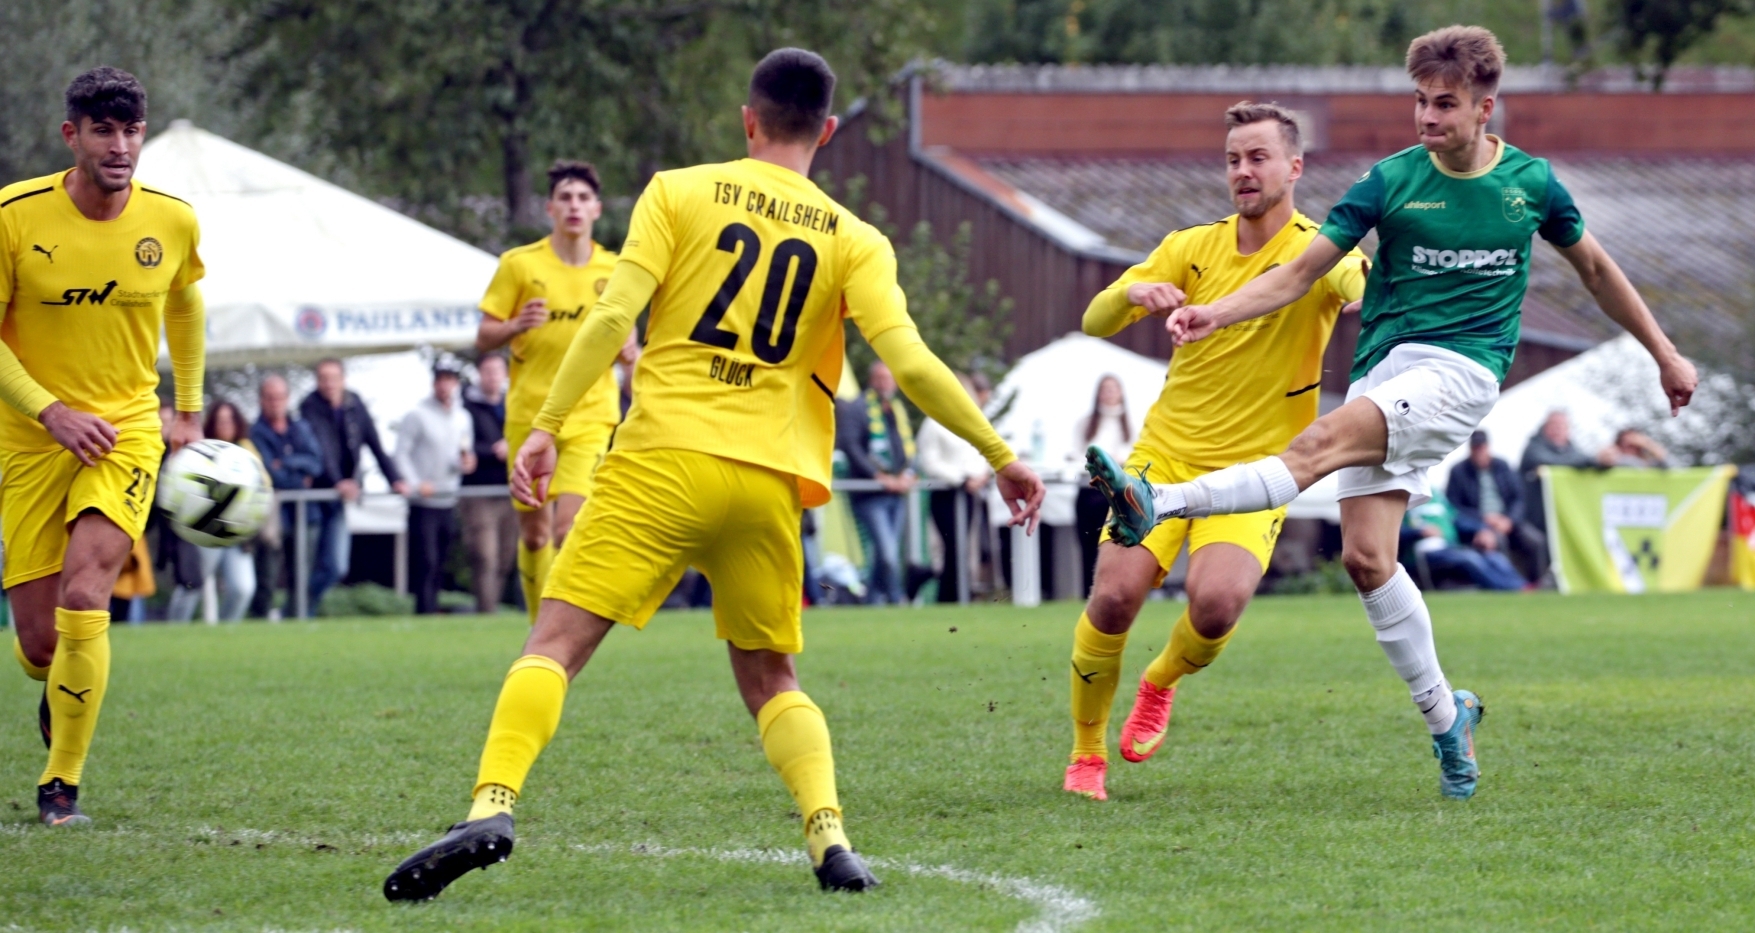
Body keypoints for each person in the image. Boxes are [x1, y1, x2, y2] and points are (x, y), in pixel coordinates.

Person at [385, 48, 1045, 901]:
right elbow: (909, 361)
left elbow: (615, 315)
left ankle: (492, 803)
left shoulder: (677, 189)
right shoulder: (855, 237)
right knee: (772, 678)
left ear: (747, 119)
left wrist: (547, 425)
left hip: (660, 458)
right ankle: (828, 835)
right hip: (767, 480)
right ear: (829, 131)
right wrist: (1000, 455)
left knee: (553, 642)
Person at [1093, 26, 1698, 802]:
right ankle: (1449, 718)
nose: (1425, 117)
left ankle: (1158, 502)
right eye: (1418, 101)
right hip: (1387, 372)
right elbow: (1296, 273)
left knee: (1313, 443)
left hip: (1462, 373)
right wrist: (1216, 312)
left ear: (1485, 108)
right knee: (1367, 560)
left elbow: (1596, 269)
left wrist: (1664, 353)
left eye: (1443, 104)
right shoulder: (1389, 181)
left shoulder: (1531, 185)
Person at [1061, 102, 1369, 802]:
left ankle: (1160, 679)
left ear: (1293, 167)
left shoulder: (1323, 249)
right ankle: (1085, 756)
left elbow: (1361, 282)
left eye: (1257, 156)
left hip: (1254, 472)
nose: (1242, 171)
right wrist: (1135, 289)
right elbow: (1093, 318)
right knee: (1111, 599)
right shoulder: (1190, 245)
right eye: (1232, 158)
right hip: (1163, 455)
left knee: (1216, 607)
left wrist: (1367, 291)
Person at [0, 67, 206, 825]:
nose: (120, 148)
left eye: (131, 131)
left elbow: (185, 304)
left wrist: (187, 408)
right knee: (38, 646)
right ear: (72, 136)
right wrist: (50, 411)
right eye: (103, 131)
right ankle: (56, 692)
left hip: (125, 431)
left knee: (87, 595)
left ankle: (62, 786)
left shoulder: (173, 220)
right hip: (31, 438)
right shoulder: (13, 217)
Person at [475, 160, 638, 623]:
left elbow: (633, 349)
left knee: (569, 529)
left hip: (591, 415)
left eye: (583, 198)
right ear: (549, 208)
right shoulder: (520, 265)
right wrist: (513, 325)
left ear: (597, 210)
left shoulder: (616, 269)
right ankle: (536, 627)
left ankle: (554, 635)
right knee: (533, 535)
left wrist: (631, 355)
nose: (574, 206)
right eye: (565, 198)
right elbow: (483, 336)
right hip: (529, 415)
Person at [299, 357, 407, 613]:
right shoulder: (309, 406)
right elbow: (322, 447)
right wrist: (339, 482)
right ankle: (299, 611)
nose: (329, 384)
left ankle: (305, 608)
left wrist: (395, 479)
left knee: (337, 565)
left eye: (333, 378)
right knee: (306, 563)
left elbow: (375, 443)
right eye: (323, 379)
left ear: (343, 380)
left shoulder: (354, 404)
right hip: (314, 498)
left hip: (341, 498)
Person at [394, 361, 477, 615]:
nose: (445, 385)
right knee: (425, 559)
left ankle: (433, 607)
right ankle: (424, 609)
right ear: (434, 383)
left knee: (441, 559)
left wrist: (466, 462)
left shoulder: (463, 417)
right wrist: (417, 484)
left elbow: (462, 454)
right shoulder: (417, 415)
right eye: (441, 379)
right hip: (424, 501)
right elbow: (401, 454)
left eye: (450, 379)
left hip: (448, 498)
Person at [167, 401, 260, 622]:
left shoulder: (248, 452)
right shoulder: (199, 452)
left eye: (229, 420)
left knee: (243, 588)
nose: (225, 425)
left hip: (237, 532)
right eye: (220, 421)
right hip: (205, 529)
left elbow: (261, 485)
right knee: (193, 584)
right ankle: (174, 629)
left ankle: (227, 633)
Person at [250, 374, 325, 618]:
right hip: (274, 516)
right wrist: (297, 472)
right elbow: (271, 474)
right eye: (270, 397)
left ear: (288, 398)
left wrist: (288, 463)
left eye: (280, 397)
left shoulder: (301, 428)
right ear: (262, 400)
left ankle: (296, 621)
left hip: (306, 514)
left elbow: (316, 464)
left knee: (301, 575)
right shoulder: (255, 433)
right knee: (268, 576)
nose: (275, 402)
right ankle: (259, 624)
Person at [840, 361, 916, 604]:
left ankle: (871, 600)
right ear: (872, 380)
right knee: (887, 553)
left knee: (886, 553)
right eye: (881, 379)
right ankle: (897, 598)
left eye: (889, 379)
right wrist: (878, 476)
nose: (886, 384)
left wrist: (908, 473)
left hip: (896, 493)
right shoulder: (858, 408)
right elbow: (850, 446)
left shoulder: (896, 409)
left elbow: (906, 448)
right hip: (869, 493)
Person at [914, 373, 992, 603]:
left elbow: (980, 452)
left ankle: (952, 594)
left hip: (968, 493)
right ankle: (949, 596)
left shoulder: (970, 420)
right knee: (952, 546)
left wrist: (981, 475)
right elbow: (929, 461)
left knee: (963, 548)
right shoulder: (933, 423)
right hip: (947, 493)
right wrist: (961, 478)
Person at [461, 353, 518, 613]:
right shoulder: (465, 408)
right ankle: (486, 611)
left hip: (509, 489)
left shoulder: (514, 404)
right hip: (479, 492)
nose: (492, 377)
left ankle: (492, 607)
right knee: (485, 555)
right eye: (487, 371)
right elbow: (462, 447)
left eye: (497, 371)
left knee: (506, 557)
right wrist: (492, 451)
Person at [1071, 374, 1134, 600]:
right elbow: (1077, 454)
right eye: (1105, 389)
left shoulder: (1130, 425)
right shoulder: (1086, 424)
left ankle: (1117, 593)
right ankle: (1089, 594)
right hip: (1091, 492)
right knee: (1089, 546)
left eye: (1113, 389)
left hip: (1117, 495)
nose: (1109, 394)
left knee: (1118, 546)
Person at [1446, 430, 1539, 579]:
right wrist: (1483, 519)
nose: (1479, 453)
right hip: (1480, 524)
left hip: (1507, 521)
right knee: (1497, 541)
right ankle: (1511, 584)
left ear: (1488, 447)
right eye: (1475, 449)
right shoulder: (1458, 471)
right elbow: (1454, 507)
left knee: (1535, 541)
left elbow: (1518, 499)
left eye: (1481, 448)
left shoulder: (1503, 466)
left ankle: (1537, 584)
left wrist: (1509, 520)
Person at [1405, 493, 1528, 591]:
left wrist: (1481, 530)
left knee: (1493, 557)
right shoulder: (1402, 498)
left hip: (1450, 546)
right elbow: (1395, 531)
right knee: (1470, 558)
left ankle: (1523, 586)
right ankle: (1507, 589)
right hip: (1425, 552)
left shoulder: (1436, 495)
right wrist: (1418, 531)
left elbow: (1458, 519)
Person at [1603, 428, 1672, 468]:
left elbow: (1666, 462)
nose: (1630, 443)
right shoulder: (1615, 461)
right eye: (1624, 442)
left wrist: (1647, 444)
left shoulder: (1649, 463)